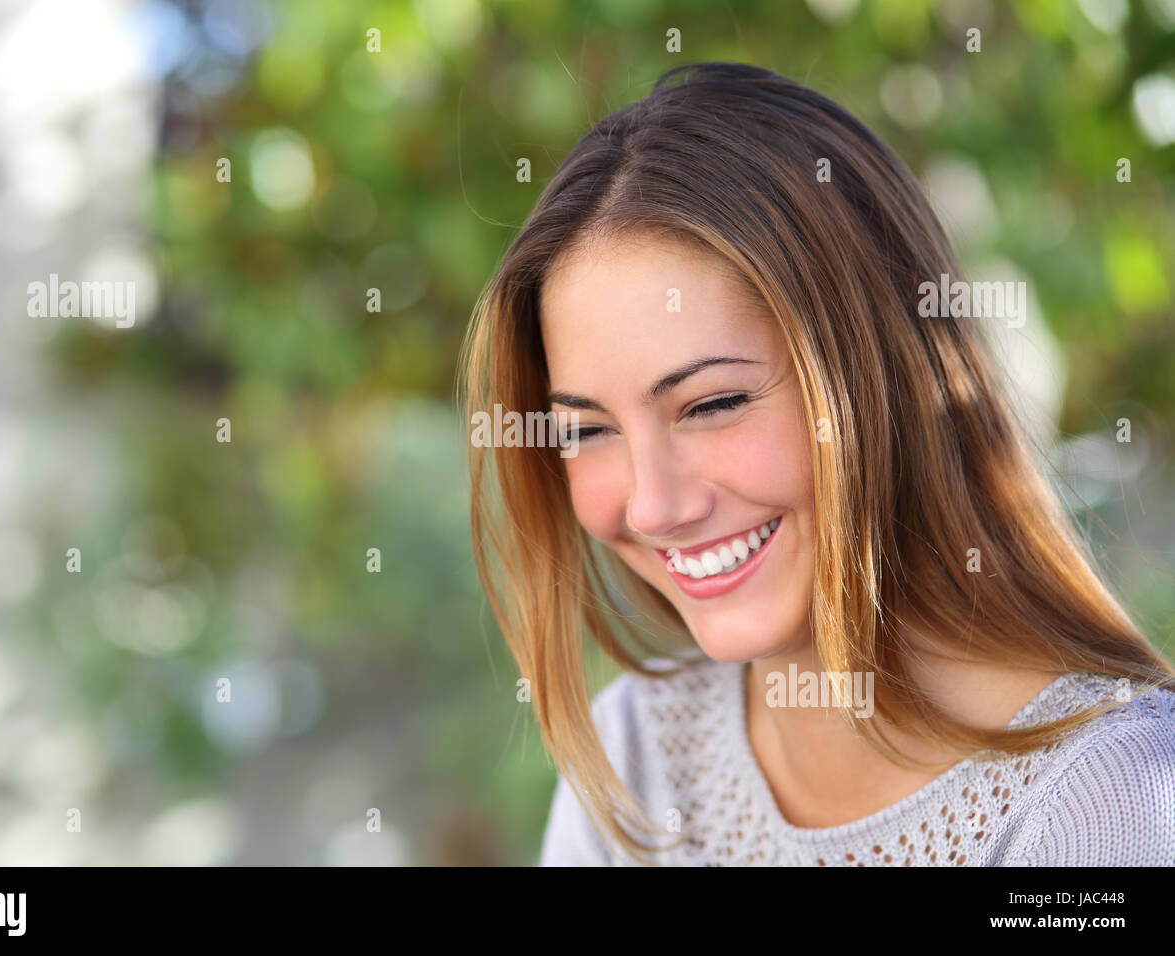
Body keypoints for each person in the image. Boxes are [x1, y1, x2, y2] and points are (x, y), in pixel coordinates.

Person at [457, 62, 1175, 866]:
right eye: (586, 431)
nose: (654, 506)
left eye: (713, 405)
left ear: (889, 376)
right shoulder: (638, 752)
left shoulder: (1107, 799)